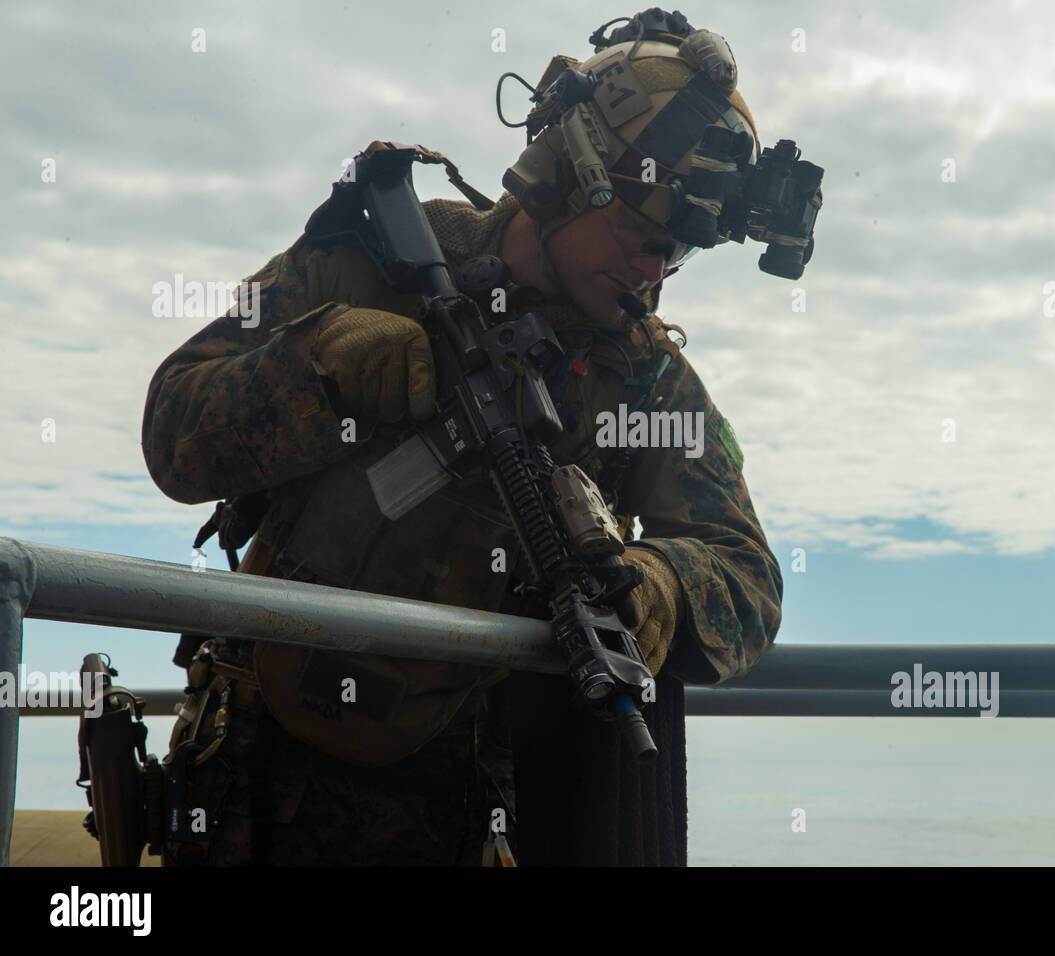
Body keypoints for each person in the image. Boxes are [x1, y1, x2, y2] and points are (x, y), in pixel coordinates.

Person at [141, 8, 799, 866]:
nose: (652, 275)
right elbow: (173, 431)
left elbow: (747, 577)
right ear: (572, 173)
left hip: (476, 823)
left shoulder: (643, 378)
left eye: (674, 257)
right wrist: (316, 366)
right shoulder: (374, 258)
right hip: (262, 801)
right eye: (642, 239)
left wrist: (656, 588)